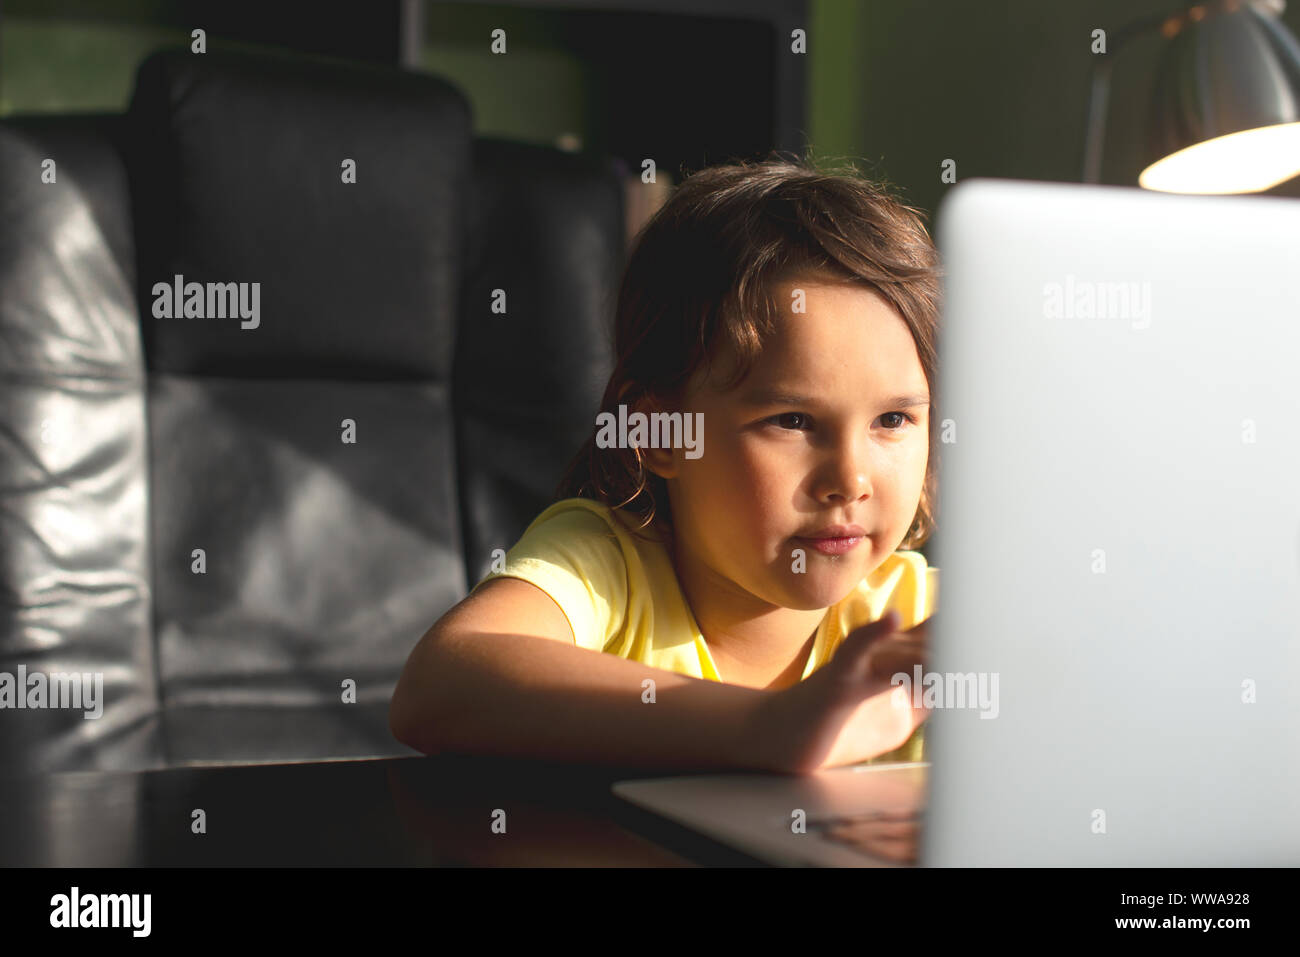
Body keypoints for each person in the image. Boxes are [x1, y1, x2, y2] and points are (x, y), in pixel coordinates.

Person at [390, 152, 940, 774]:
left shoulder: (922, 621)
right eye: (792, 421)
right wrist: (768, 727)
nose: (850, 480)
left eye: (893, 420)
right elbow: (438, 686)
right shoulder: (610, 569)